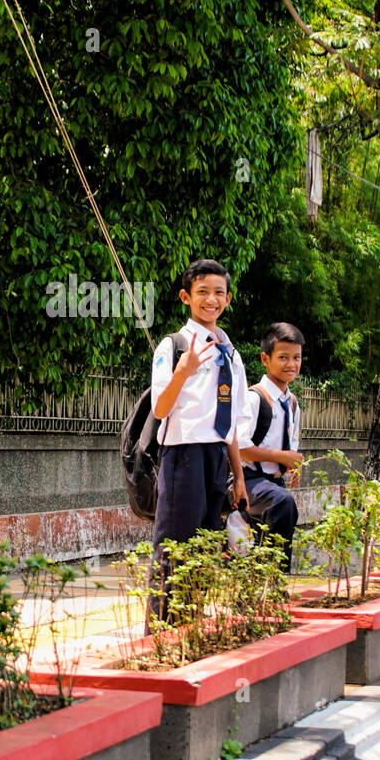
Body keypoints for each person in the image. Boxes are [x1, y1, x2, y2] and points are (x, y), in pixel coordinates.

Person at [149, 258, 249, 620]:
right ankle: (162, 631)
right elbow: (160, 408)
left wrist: (238, 477)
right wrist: (182, 372)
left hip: (216, 459)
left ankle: (188, 626)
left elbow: (232, 424)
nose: (211, 300)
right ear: (185, 297)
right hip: (183, 457)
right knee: (174, 547)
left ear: (228, 298)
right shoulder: (173, 345)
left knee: (205, 547)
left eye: (218, 293)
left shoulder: (232, 353)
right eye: (202, 292)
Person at [236, 322, 305, 571]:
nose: (291, 364)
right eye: (283, 357)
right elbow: (239, 445)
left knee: (269, 529)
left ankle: (262, 590)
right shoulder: (254, 398)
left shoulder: (292, 403)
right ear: (266, 359)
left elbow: (291, 448)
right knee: (282, 504)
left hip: (273, 483)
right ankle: (273, 580)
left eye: (296, 357)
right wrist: (280, 455)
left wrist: (291, 468)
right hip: (247, 481)